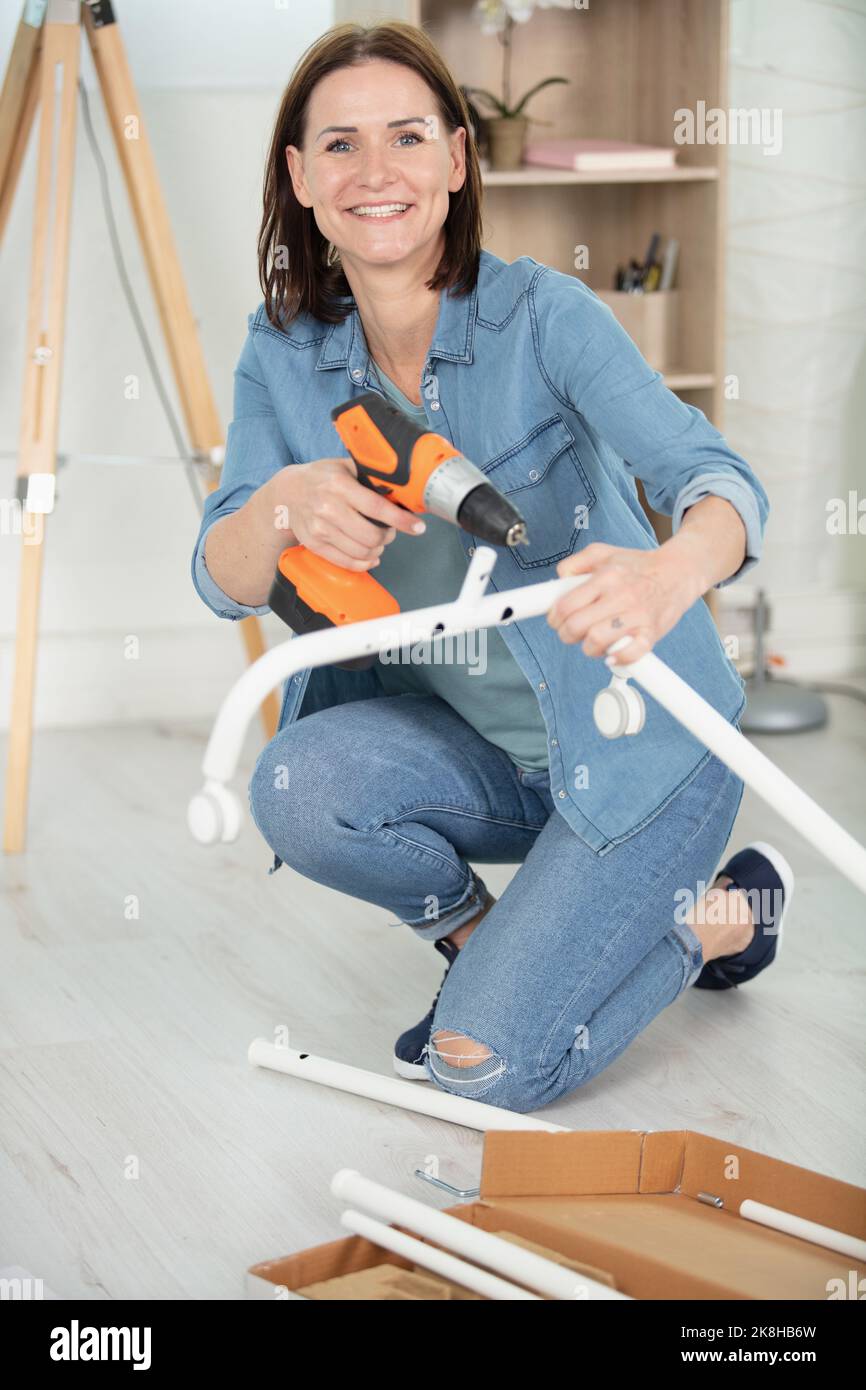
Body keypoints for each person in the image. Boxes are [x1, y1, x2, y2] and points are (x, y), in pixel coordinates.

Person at [191, 21, 793, 1115]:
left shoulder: (540, 318)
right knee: (296, 782)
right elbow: (223, 573)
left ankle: (725, 914)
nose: (375, 174)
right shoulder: (280, 351)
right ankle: (484, 951)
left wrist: (671, 572)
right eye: (338, 146)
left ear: (456, 160)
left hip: (638, 748)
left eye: (407, 138)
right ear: (299, 176)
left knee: (483, 1072)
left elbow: (717, 481)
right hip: (475, 755)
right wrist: (283, 504)